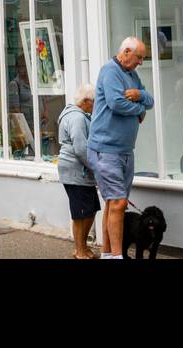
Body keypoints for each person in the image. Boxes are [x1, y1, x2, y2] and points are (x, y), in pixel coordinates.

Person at [88, 36, 153, 259]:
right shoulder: (110, 71)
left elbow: (150, 100)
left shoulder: (132, 75)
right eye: (139, 57)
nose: (141, 62)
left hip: (125, 150)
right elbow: (116, 104)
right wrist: (140, 110)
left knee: (113, 204)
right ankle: (117, 256)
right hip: (105, 149)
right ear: (126, 52)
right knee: (118, 202)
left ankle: (108, 255)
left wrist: (139, 95)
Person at [57, 83, 99, 259]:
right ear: (86, 101)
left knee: (90, 209)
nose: (96, 105)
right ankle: (80, 251)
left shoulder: (77, 115)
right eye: (94, 101)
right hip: (76, 172)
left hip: (78, 171)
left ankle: (83, 247)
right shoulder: (77, 118)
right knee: (81, 214)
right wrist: (97, 167)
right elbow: (81, 148)